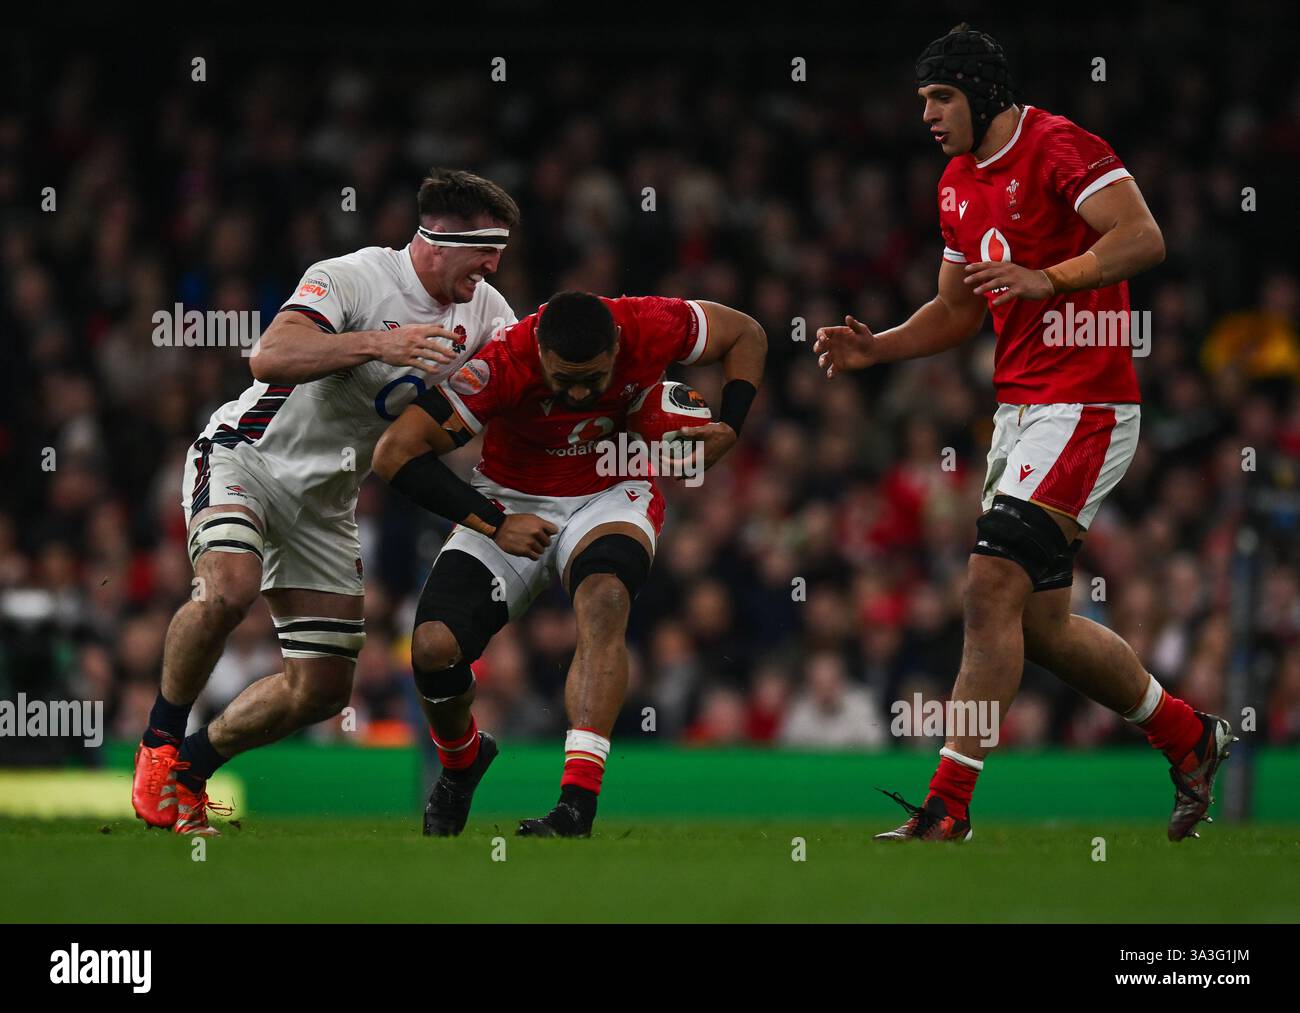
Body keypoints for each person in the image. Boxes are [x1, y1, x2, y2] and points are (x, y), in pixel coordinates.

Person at [815, 25, 1234, 842]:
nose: (928, 114)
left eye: (940, 97)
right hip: (1020, 411)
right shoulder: (955, 184)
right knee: (1038, 629)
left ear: (982, 92)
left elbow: (1143, 236)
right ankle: (1190, 736)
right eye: (923, 100)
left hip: (1088, 403)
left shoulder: (1060, 146)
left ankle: (948, 806)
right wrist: (880, 347)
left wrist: (1050, 278)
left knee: (988, 586)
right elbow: (958, 308)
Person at [131, 169, 520, 836]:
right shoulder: (355, 276)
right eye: (485, 251)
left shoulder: (486, 312)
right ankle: (160, 742)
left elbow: (524, 380)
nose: (490, 267)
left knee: (321, 689)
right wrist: (377, 342)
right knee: (229, 589)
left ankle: (191, 771)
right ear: (441, 240)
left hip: (327, 502)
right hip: (247, 458)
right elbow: (270, 353)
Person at [373, 290, 766, 837]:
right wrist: (493, 520)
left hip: (611, 489)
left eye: (595, 378)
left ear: (619, 346)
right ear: (539, 348)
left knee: (605, 598)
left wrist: (732, 425)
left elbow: (746, 330)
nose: (580, 392)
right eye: (565, 380)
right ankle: (462, 765)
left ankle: (576, 805)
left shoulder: (651, 323)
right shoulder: (503, 363)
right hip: (508, 501)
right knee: (434, 648)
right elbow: (394, 451)